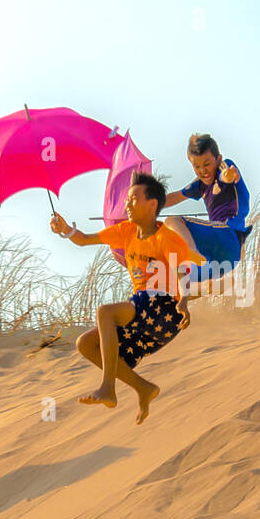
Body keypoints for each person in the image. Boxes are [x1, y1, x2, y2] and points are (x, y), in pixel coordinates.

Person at [50, 172, 203, 423]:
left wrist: (184, 301)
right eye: (127, 199)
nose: (127, 204)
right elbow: (85, 239)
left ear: (152, 204)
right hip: (143, 309)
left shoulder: (167, 238)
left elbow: (182, 272)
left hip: (165, 309)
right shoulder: (126, 231)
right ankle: (143, 388)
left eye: (133, 199)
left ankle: (107, 388)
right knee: (85, 344)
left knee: (105, 312)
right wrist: (65, 229)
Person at [161, 133, 251, 287]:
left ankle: (191, 252)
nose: (203, 171)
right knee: (175, 278)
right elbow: (175, 197)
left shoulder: (225, 167)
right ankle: (214, 286)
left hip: (227, 234)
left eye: (207, 164)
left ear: (218, 159)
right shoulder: (200, 185)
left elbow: (226, 175)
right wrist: (148, 204)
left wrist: (229, 176)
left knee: (172, 221)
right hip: (225, 259)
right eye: (197, 166)